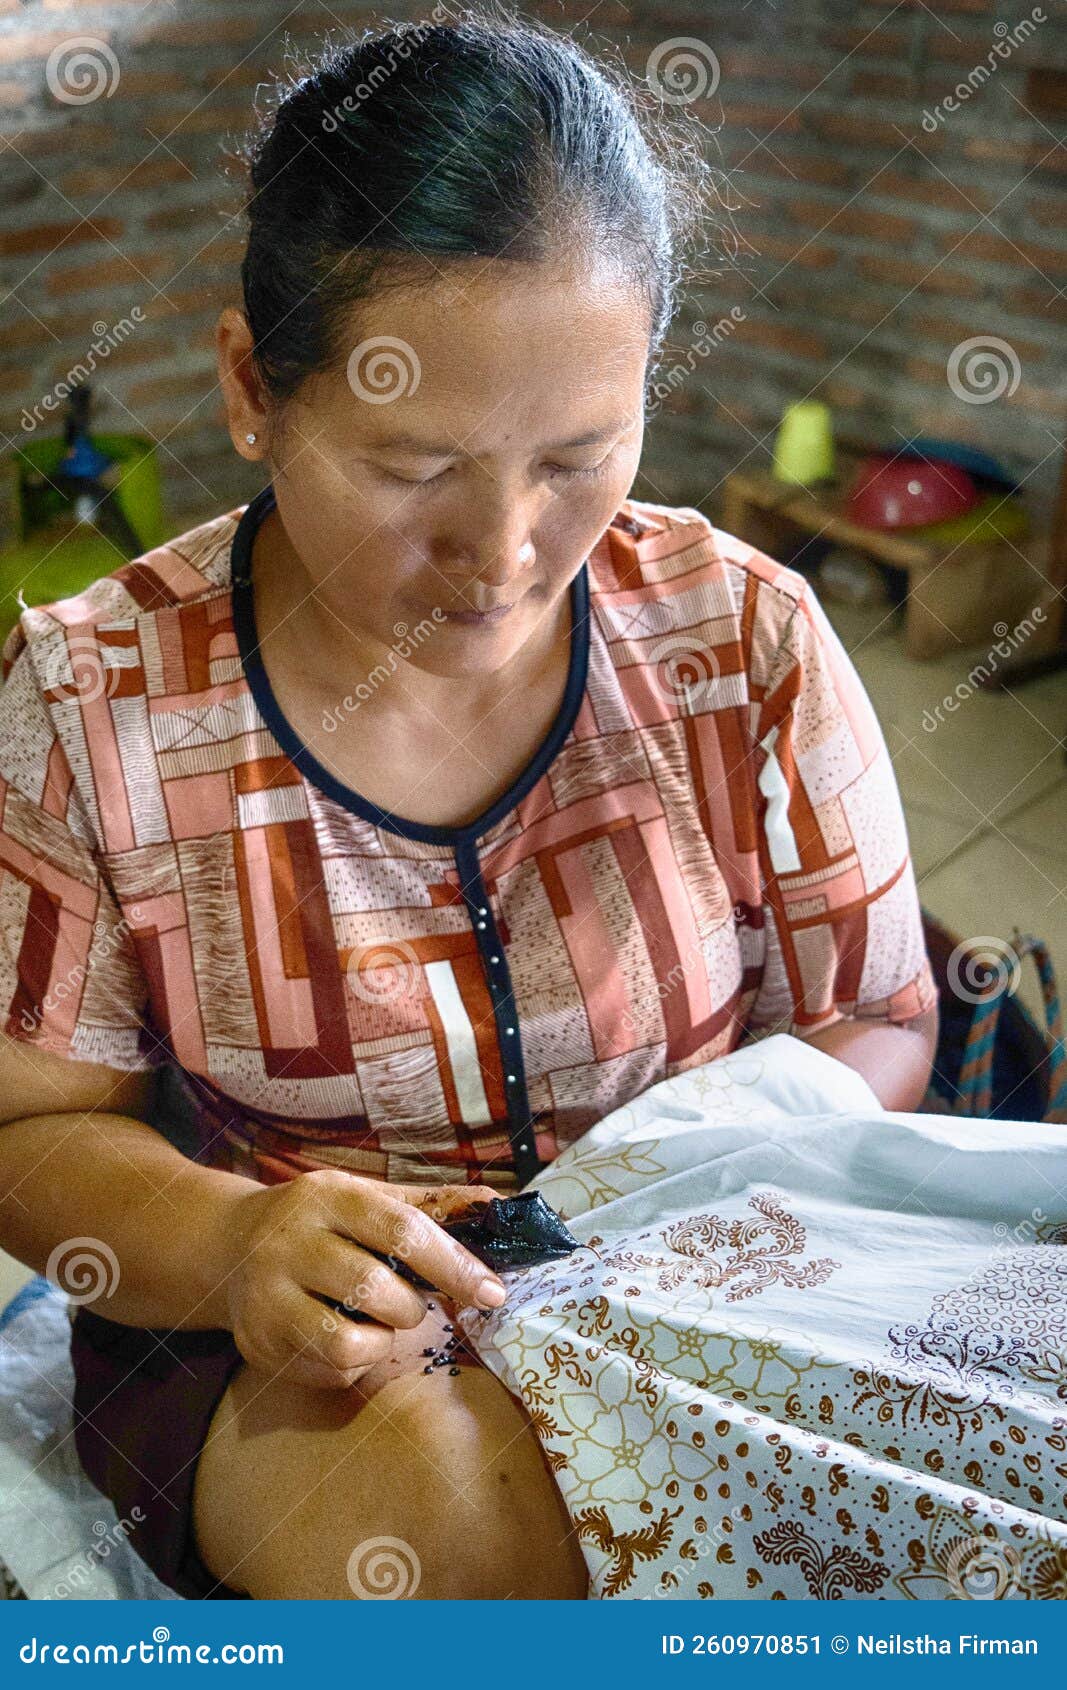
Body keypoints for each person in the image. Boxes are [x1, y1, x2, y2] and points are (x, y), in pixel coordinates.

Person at [0, 12, 937, 1602]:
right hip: (306, 1345)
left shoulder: (744, 632)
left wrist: (705, 1200)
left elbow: (883, 1013)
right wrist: (237, 1248)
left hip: (713, 1271)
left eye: (581, 456)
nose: (507, 551)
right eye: (416, 466)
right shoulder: (98, 703)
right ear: (252, 387)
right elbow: (31, 1129)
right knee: (448, 1543)